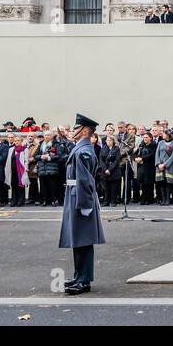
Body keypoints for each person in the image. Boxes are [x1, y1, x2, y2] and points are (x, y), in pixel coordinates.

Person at [59, 113, 105, 295]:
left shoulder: (84, 150)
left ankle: (84, 280)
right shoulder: (81, 148)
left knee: (83, 240)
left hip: (80, 198)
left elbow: (85, 180)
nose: (73, 131)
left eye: (76, 128)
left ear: (84, 131)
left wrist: (85, 204)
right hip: (75, 196)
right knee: (78, 240)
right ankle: (79, 276)